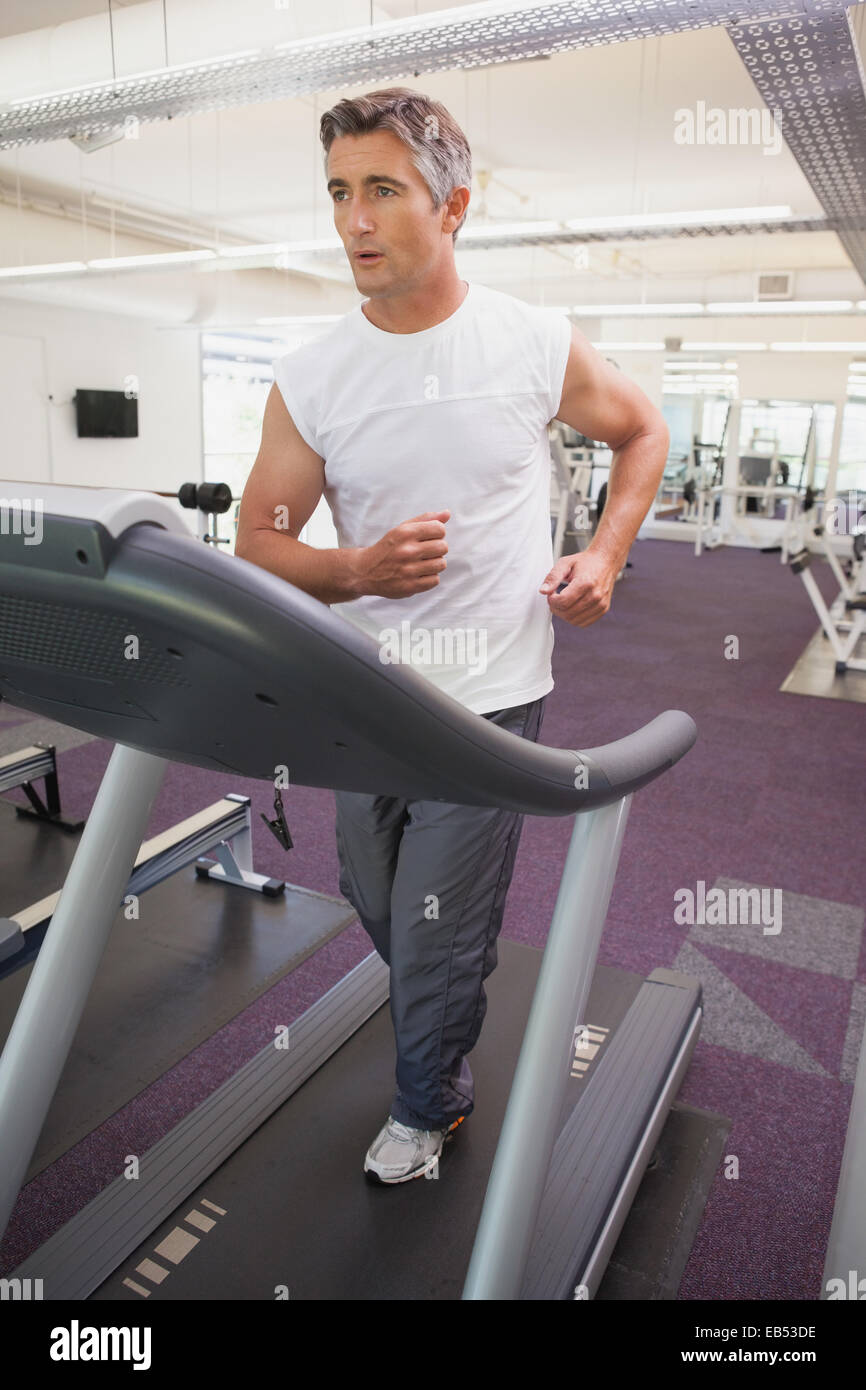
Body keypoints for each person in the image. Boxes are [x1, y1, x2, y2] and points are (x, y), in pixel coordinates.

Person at [235, 87, 668, 1184]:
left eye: (381, 190)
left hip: (490, 698)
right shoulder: (314, 376)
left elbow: (642, 430)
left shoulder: (529, 342)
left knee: (427, 934)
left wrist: (604, 555)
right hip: (362, 699)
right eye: (338, 192)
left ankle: (426, 1108)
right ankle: (453, 982)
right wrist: (354, 570)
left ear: (454, 205)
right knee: (380, 904)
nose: (352, 221)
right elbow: (259, 540)